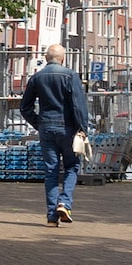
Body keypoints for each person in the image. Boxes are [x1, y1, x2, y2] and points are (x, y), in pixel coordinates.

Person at [20, 43, 95, 227]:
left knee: (51, 171)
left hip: (46, 128)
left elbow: (25, 107)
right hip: (68, 128)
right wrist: (82, 128)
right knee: (72, 166)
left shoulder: (36, 78)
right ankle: (64, 203)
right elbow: (78, 105)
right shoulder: (70, 75)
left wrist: (38, 123)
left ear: (46, 59)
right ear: (63, 59)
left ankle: (52, 216)